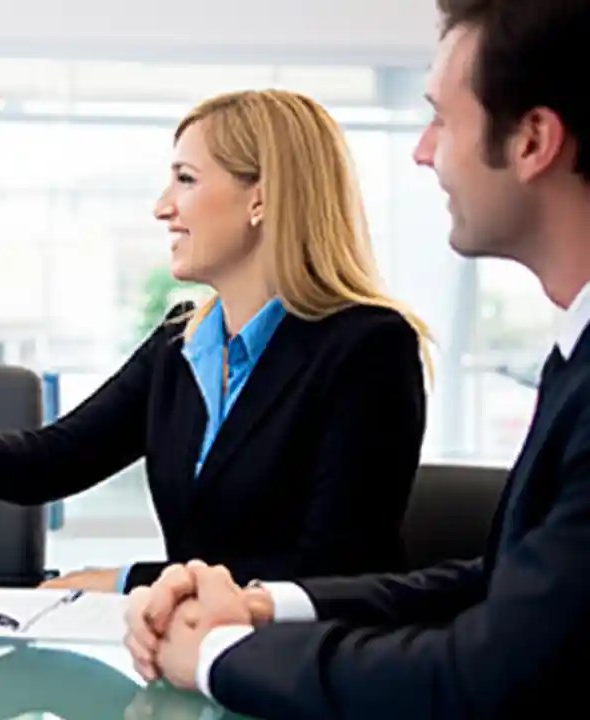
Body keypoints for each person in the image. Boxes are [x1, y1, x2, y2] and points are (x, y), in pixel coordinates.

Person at [124, 0, 590, 717]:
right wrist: (260, 607)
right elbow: (502, 583)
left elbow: (489, 673)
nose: (422, 150)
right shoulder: (573, 361)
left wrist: (218, 653)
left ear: (532, 141)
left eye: (442, 118)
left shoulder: (372, 344)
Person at [0, 88, 431, 593]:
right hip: (197, 662)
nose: (163, 207)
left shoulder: (367, 347)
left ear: (261, 198)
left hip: (308, 675)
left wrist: (123, 582)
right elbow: (51, 461)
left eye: (186, 179)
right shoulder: (180, 345)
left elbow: (334, 573)